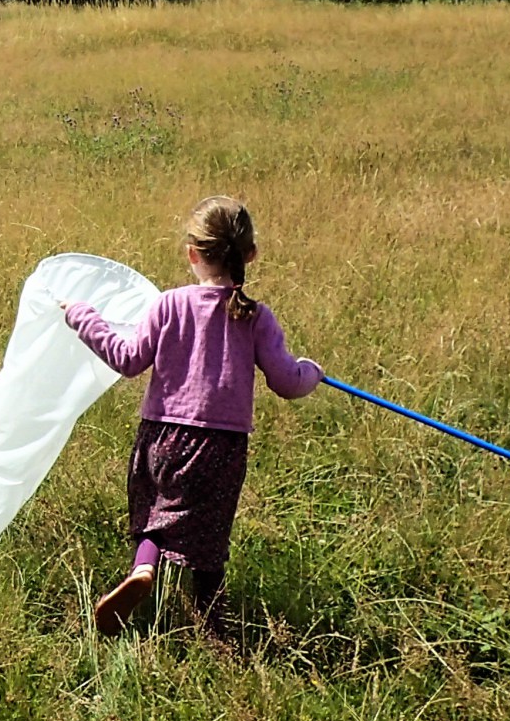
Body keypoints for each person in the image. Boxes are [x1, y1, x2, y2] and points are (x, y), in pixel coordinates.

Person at [60, 195, 323, 638]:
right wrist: (311, 371)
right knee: (208, 536)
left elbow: (127, 359)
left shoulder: (169, 304)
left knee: (154, 514)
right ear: (250, 255)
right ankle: (212, 626)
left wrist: (83, 316)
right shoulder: (257, 318)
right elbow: (286, 381)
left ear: (192, 254)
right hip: (220, 448)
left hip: (162, 437)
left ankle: (144, 568)